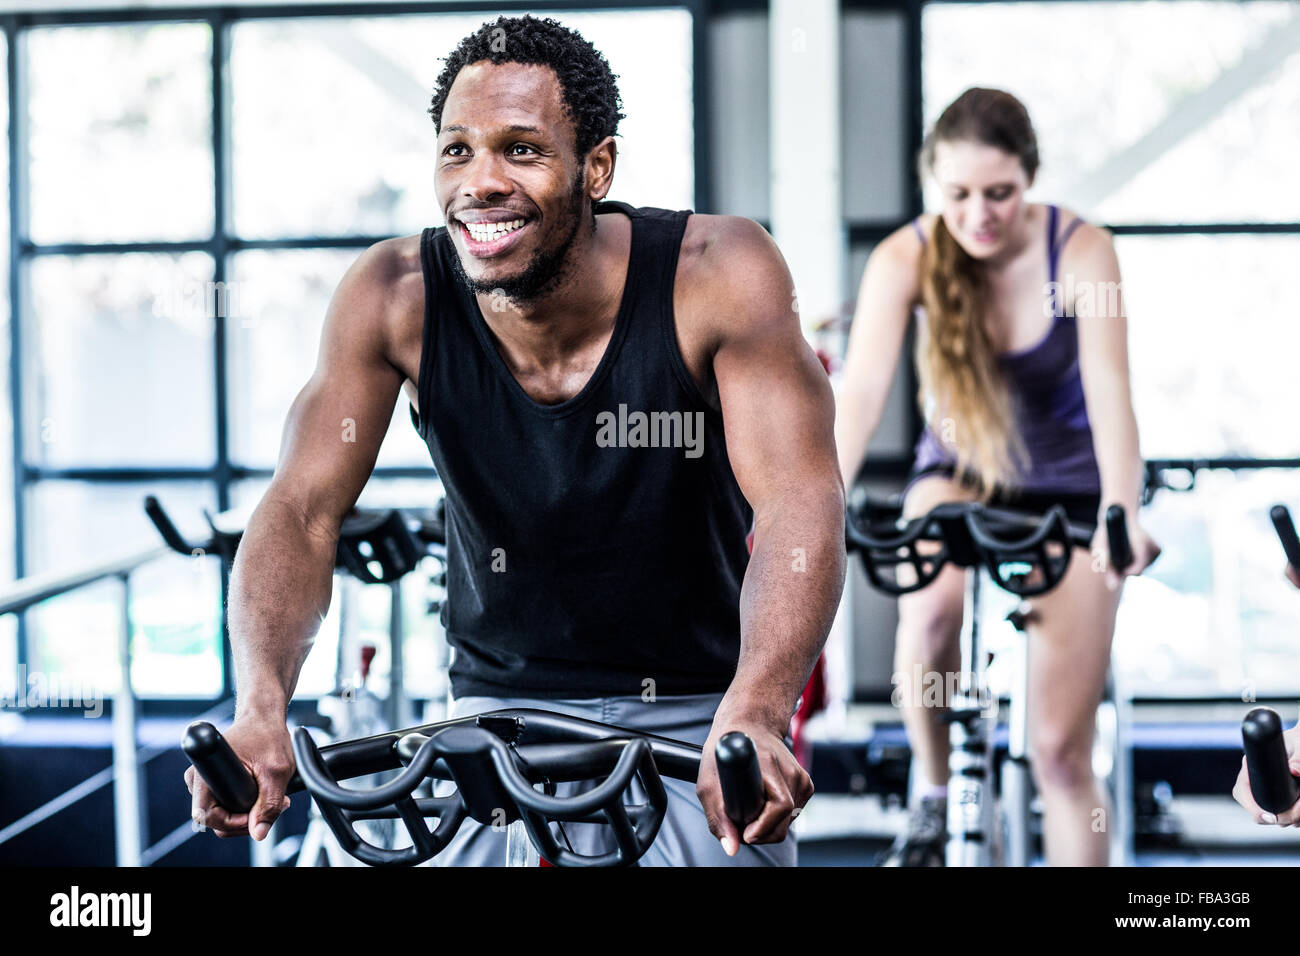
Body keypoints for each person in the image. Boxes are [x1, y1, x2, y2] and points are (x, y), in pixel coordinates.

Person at [185, 14, 844, 866]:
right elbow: (303, 511)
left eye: (521, 150)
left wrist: (759, 707)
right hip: (488, 719)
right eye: (457, 149)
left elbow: (800, 500)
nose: (480, 181)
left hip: (695, 716)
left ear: (595, 168)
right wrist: (262, 704)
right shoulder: (395, 294)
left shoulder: (717, 272)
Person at [836, 88, 1160, 866]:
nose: (979, 214)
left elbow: (1113, 397)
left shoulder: (1081, 250)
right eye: (958, 196)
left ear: (1031, 180)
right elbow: (861, 398)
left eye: (1000, 193)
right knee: (931, 613)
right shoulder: (904, 256)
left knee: (1057, 750)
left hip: (1072, 494)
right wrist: (806, 511)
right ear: (932, 187)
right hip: (961, 473)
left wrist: (1123, 511)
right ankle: (935, 792)